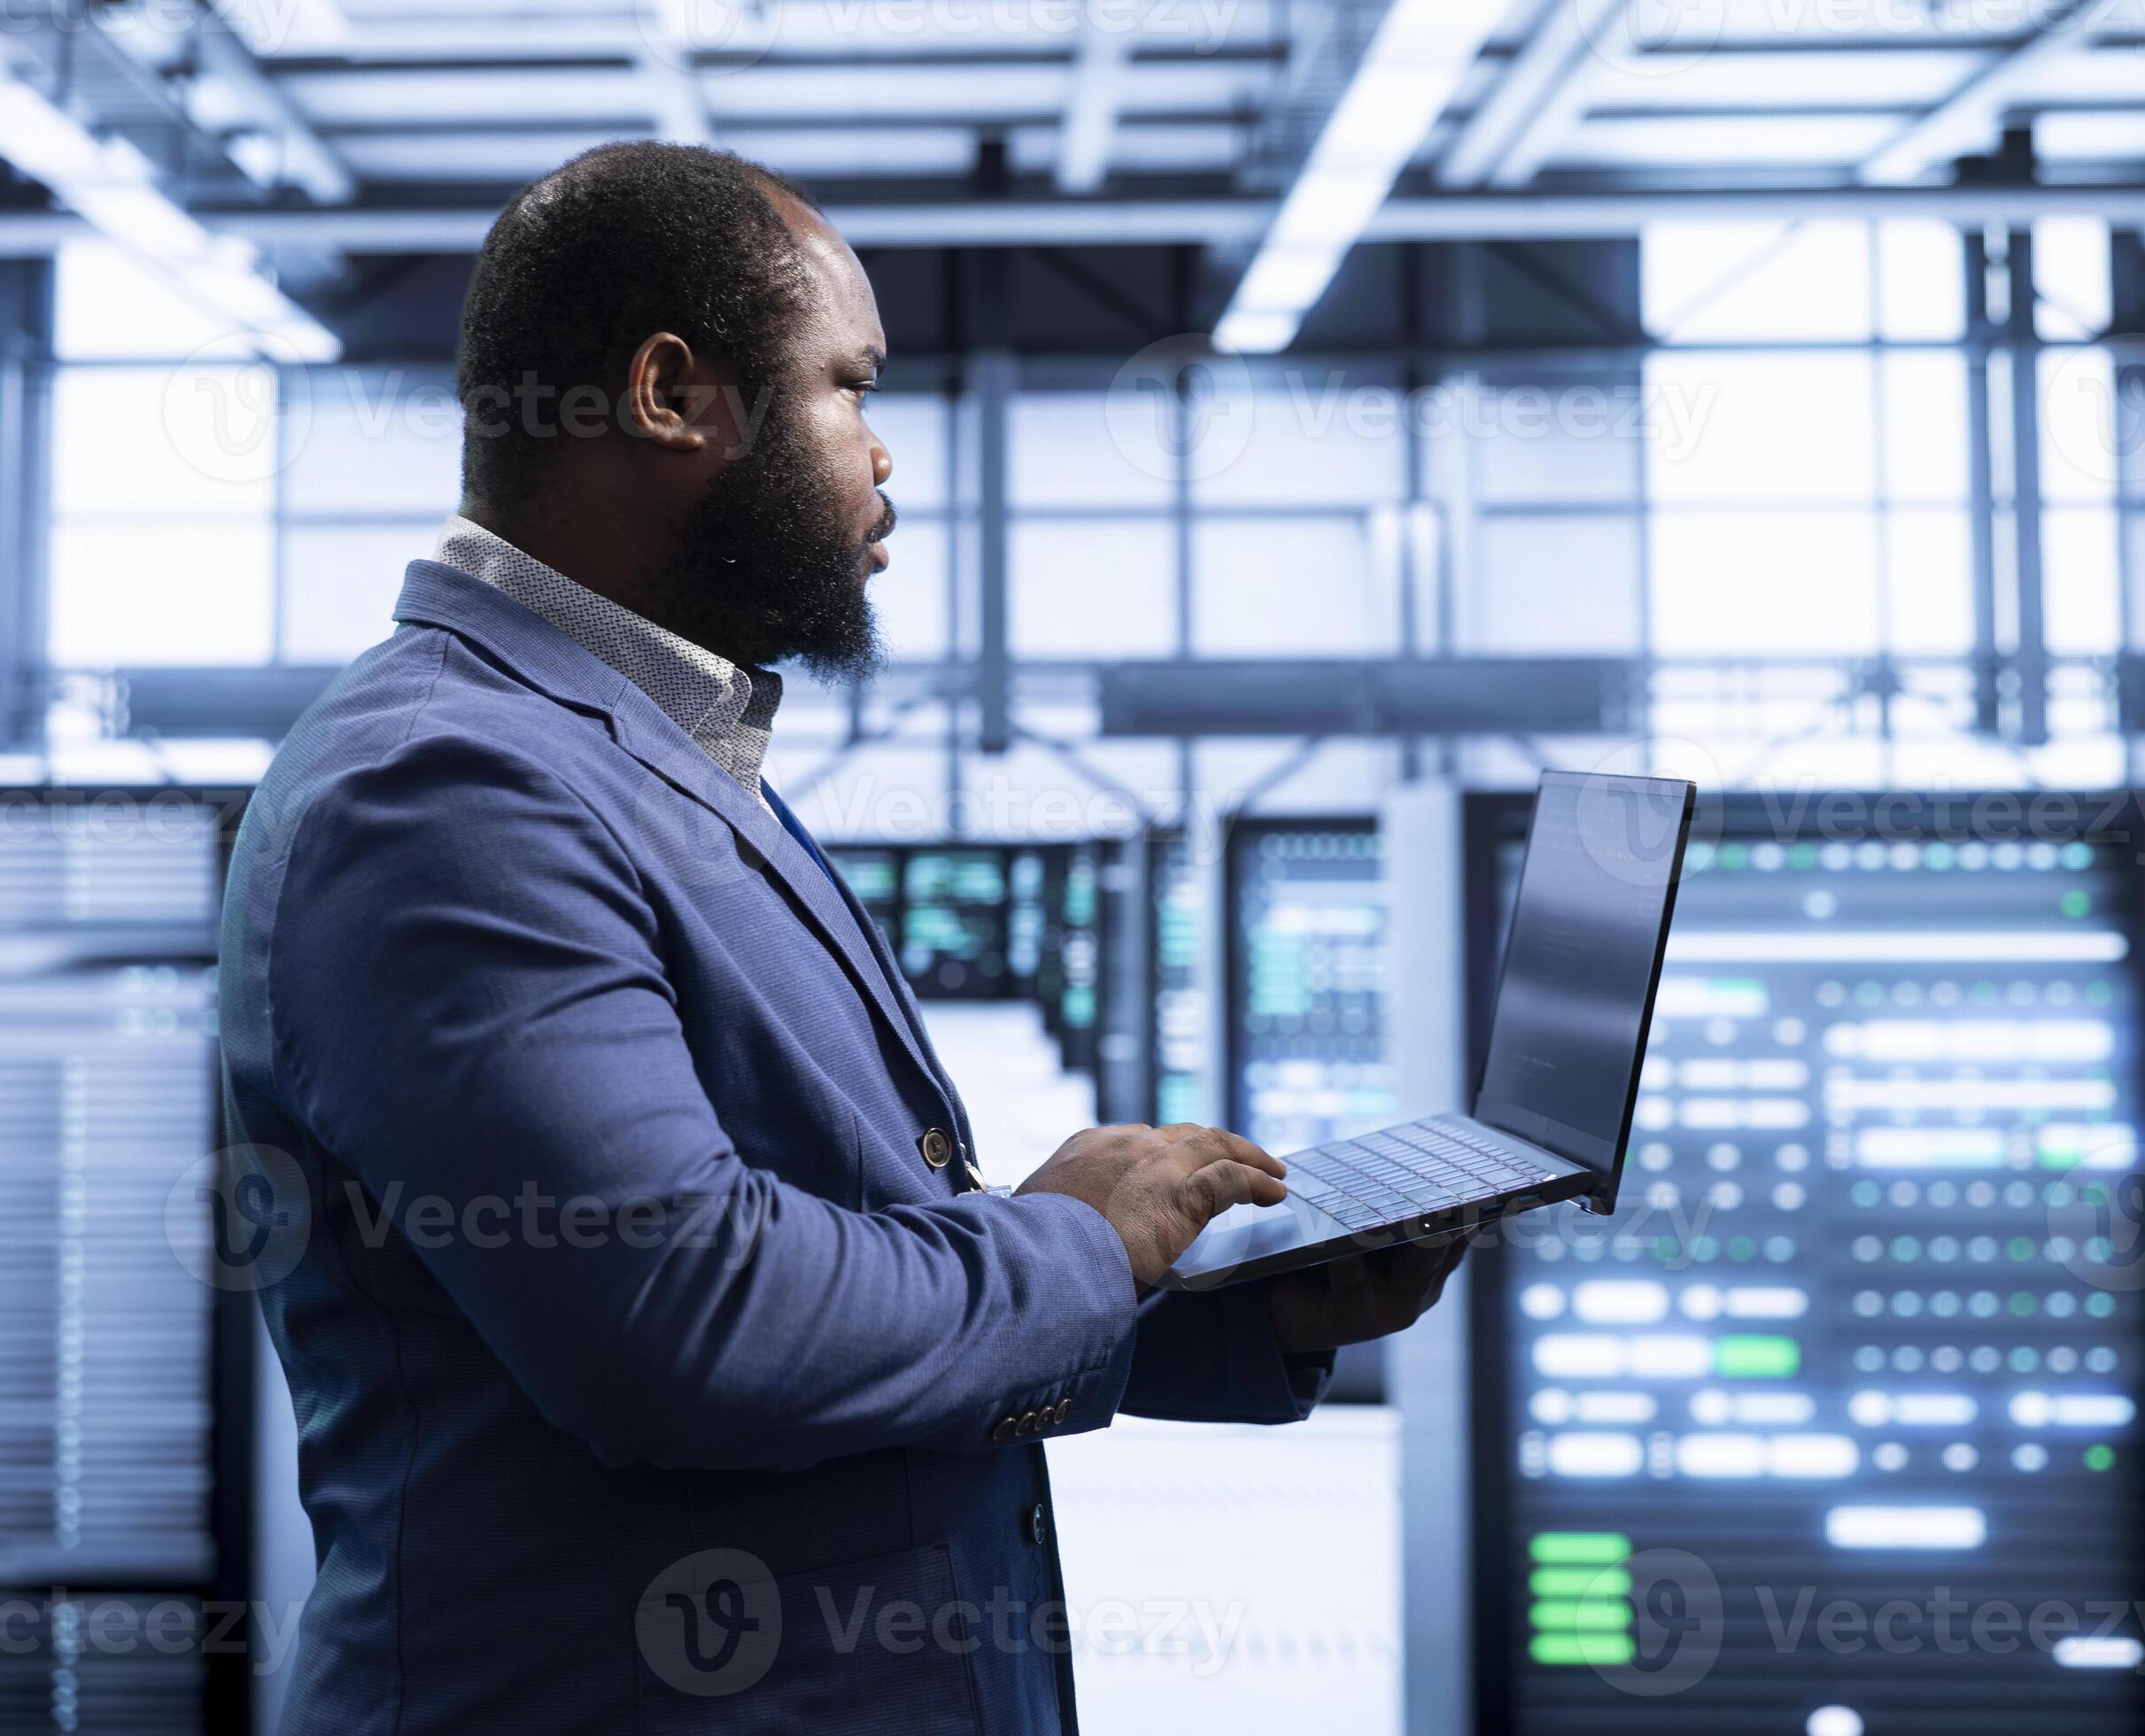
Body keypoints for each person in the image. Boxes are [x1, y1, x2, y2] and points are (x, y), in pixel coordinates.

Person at [216, 140, 1460, 1733]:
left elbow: (836, 1249)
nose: (888, 459)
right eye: (848, 388)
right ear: (674, 396)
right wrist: (1081, 1239)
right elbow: (689, 1319)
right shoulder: (446, 790)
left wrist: (1207, 1307)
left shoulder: (641, 749)